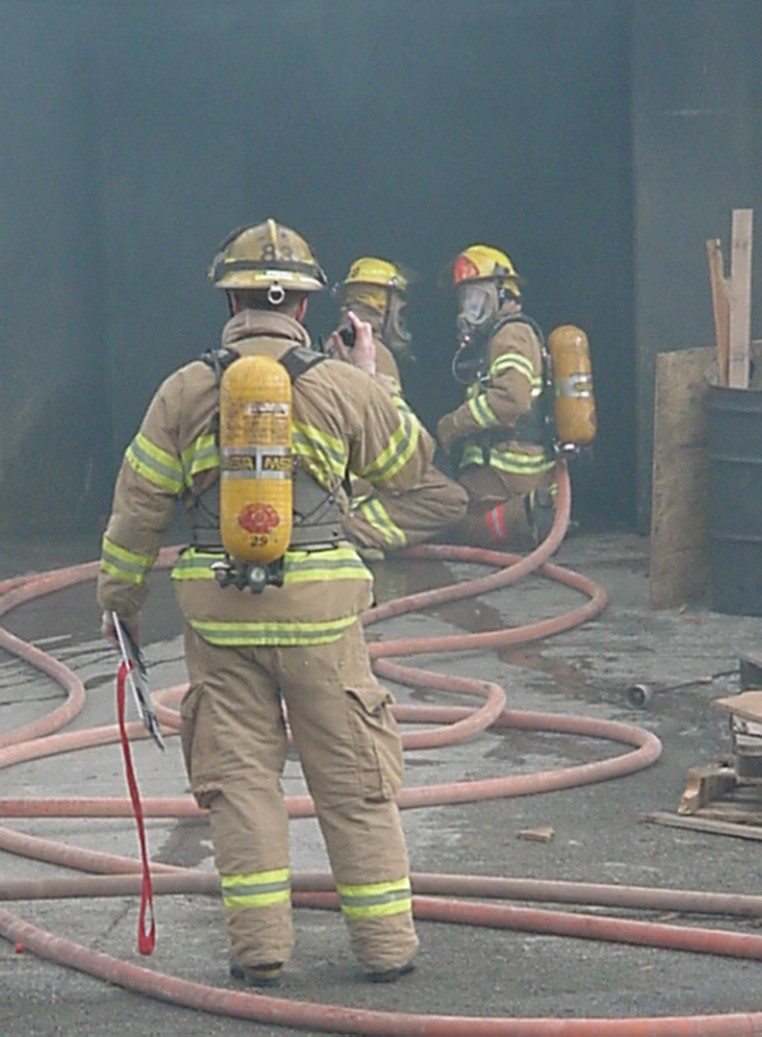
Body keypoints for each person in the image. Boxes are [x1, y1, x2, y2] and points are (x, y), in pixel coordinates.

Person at [96, 219, 422, 987]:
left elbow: (138, 504)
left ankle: (261, 951)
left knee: (240, 787)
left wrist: (121, 599)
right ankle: (385, 948)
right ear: (307, 309)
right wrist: (374, 374)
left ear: (232, 299)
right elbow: (408, 465)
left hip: (219, 618)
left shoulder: (185, 389)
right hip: (321, 621)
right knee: (354, 782)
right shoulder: (340, 385)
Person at [329, 256, 468, 556]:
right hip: (359, 478)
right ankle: (358, 530)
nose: (404, 321)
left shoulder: (333, 345)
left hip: (332, 479)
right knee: (450, 499)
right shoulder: (375, 354)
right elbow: (395, 440)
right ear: (384, 305)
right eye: (401, 310)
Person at [436, 243, 557, 549]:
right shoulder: (503, 336)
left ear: (504, 294)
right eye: (465, 301)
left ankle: (527, 514)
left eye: (477, 299)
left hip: (508, 468)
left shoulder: (509, 335)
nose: (468, 311)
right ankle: (528, 512)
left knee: (445, 517)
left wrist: (454, 424)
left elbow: (511, 400)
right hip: (511, 466)